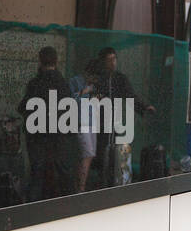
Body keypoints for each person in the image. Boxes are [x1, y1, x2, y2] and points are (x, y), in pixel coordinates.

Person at [93, 46, 154, 186]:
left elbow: (130, 96)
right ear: (103, 62)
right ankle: (101, 181)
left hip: (116, 120)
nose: (113, 63)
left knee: (118, 149)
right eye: (109, 60)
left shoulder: (120, 78)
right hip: (99, 121)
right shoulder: (97, 79)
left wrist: (144, 107)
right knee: (101, 151)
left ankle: (117, 181)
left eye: (114, 59)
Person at [17, 46, 70, 201]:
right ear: (56, 61)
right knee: (62, 172)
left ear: (40, 61)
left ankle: (32, 210)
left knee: (37, 173)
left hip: (37, 136)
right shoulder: (63, 83)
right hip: (59, 134)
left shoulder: (35, 83)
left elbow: (23, 107)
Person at [70, 57, 102, 192]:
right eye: (94, 77)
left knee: (89, 154)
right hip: (80, 122)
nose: (94, 81)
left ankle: (80, 185)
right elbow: (69, 101)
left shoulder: (94, 86)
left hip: (91, 121)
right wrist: (85, 92)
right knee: (87, 153)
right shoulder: (75, 81)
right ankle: (80, 187)